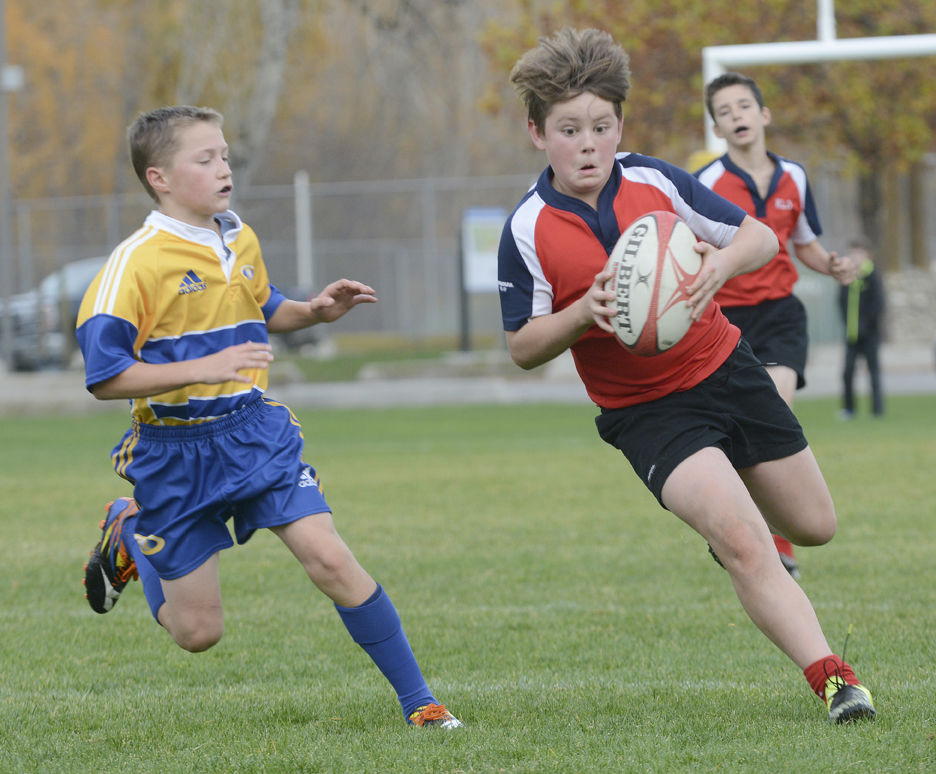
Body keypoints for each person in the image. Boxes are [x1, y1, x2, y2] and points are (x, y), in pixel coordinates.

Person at [498, 27, 875, 723]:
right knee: (742, 541)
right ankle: (835, 678)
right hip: (647, 411)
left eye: (602, 127)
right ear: (536, 133)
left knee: (816, 524)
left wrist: (714, 267)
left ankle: (728, 514)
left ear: (621, 126)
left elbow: (759, 238)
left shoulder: (656, 180)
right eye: (569, 129)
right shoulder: (527, 228)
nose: (588, 143)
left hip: (728, 368)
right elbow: (522, 345)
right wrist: (585, 312)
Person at [77, 105, 460, 729]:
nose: (223, 167)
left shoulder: (237, 234)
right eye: (205, 159)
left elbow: (262, 303)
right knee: (197, 633)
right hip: (173, 453)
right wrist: (205, 366)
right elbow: (105, 375)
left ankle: (421, 703)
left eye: (224, 154)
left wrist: (312, 310)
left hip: (253, 433)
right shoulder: (135, 265)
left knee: (329, 558)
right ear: (160, 178)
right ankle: (129, 532)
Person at [694, 72, 858, 580]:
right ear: (717, 128)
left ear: (764, 115)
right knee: (746, 424)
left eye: (744, 106)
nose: (737, 115)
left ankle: (777, 538)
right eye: (725, 111)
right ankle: (747, 527)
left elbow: (803, 242)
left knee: (776, 402)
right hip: (728, 318)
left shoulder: (795, 177)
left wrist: (830, 263)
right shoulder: (706, 184)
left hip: (782, 312)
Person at [838, 236, 885, 418]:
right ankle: (849, 409)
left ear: (867, 255)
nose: (855, 257)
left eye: (859, 253)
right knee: (847, 372)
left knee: (873, 372)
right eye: (852, 253)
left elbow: (878, 304)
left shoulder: (872, 276)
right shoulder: (847, 277)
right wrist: (848, 324)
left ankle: (877, 410)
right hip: (851, 334)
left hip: (870, 334)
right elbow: (841, 301)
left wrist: (866, 326)